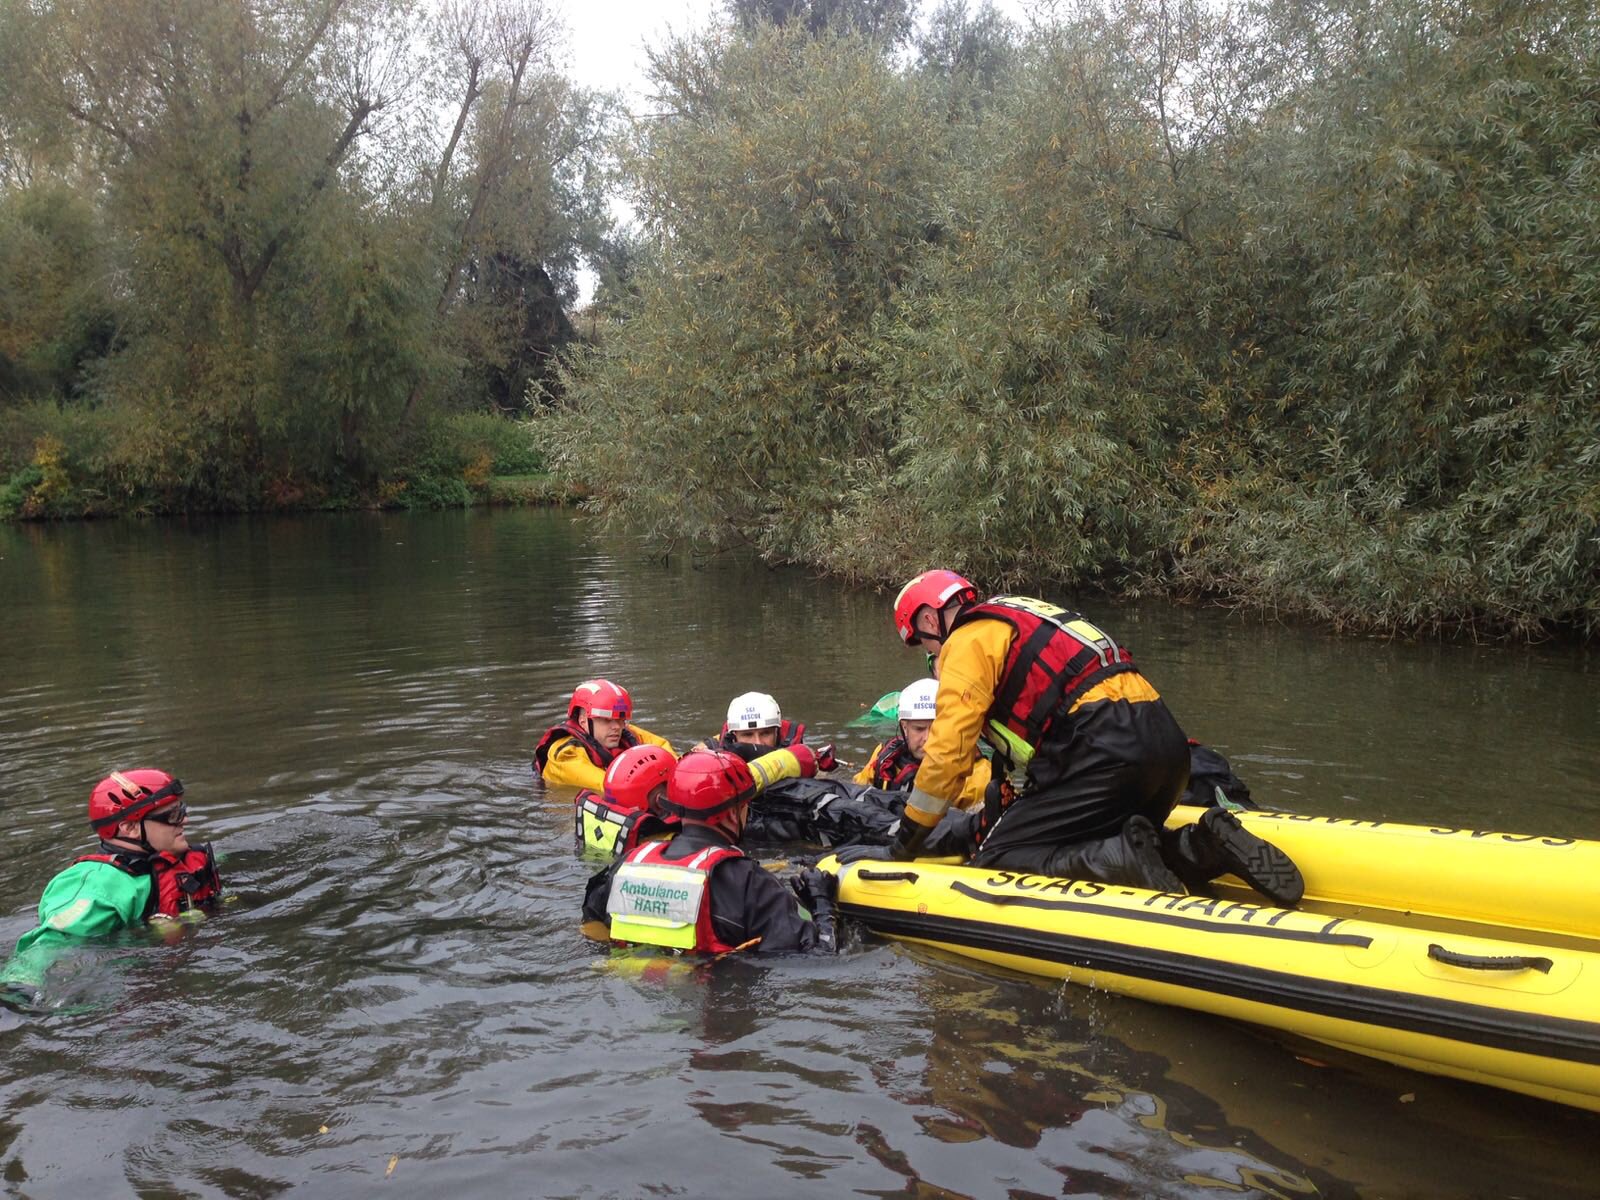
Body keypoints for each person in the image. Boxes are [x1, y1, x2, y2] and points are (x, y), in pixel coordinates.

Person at [880, 570, 1303, 905]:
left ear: (930, 620)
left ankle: (1119, 860)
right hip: (1168, 753)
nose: (932, 658)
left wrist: (905, 843)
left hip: (1103, 757)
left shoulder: (967, 640)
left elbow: (948, 752)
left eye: (925, 646)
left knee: (998, 858)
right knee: (1102, 834)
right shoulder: (1023, 612)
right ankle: (1204, 845)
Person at [581, 749, 838, 954]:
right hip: (707, 1004)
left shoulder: (630, 862)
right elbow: (820, 956)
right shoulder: (749, 883)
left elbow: (591, 920)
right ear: (732, 812)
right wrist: (822, 903)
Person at [2, 770, 223, 1000]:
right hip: (126, 993)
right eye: (173, 815)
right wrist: (17, 993)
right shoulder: (98, 884)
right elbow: (51, 944)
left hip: (177, 976)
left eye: (182, 810)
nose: (184, 820)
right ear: (130, 828)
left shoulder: (178, 860)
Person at [576, 740, 832, 860]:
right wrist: (801, 756)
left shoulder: (605, 831)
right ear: (661, 798)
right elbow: (748, 778)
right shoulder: (685, 836)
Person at [855, 677, 992, 809]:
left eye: (936, 729)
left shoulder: (979, 776)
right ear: (904, 727)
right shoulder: (883, 757)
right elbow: (855, 796)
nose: (928, 738)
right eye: (919, 729)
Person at [534, 678, 675, 790]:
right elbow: (608, 787)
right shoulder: (566, 755)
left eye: (620, 720)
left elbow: (665, 751)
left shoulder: (627, 733)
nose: (616, 727)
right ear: (583, 721)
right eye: (606, 721)